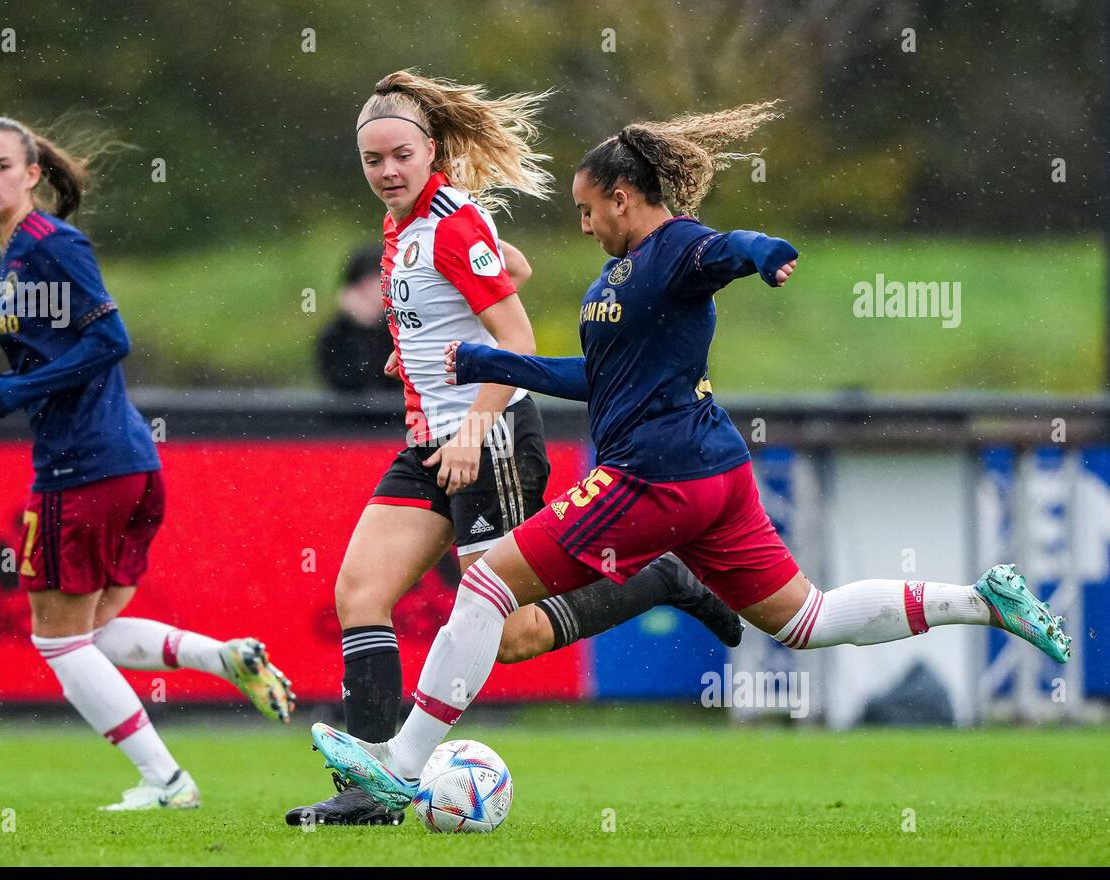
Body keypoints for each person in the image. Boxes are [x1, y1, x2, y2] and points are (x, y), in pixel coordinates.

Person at [310, 101, 1072, 809]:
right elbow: (591, 379)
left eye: (585, 209)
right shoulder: (612, 281)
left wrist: (764, 253)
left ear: (620, 196)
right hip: (718, 477)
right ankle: (980, 601)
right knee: (805, 619)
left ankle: (401, 769)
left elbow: (724, 251)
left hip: (650, 479)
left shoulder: (674, 248)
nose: (581, 226)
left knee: (485, 590)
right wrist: (490, 366)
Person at [287, 71, 743, 827]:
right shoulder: (406, 224)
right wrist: (419, 345)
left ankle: (662, 579)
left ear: (429, 149)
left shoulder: (451, 221)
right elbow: (510, 271)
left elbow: (519, 339)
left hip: (490, 438)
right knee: (359, 596)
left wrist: (471, 427)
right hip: (432, 442)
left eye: (400, 155)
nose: (387, 171)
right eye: (373, 161)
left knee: (517, 635)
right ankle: (369, 793)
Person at [0, 116, 295, 811]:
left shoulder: (51, 243)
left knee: (58, 644)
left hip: (85, 469)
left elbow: (111, 338)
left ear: (32, 175)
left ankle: (167, 783)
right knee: (93, 634)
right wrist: (0, 384)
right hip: (122, 464)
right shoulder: (15, 255)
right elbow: (62, 354)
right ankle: (223, 658)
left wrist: (16, 389)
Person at [316, 245, 400, 392]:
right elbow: (345, 382)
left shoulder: (400, 330)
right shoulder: (336, 334)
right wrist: (361, 324)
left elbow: (394, 381)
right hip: (350, 413)